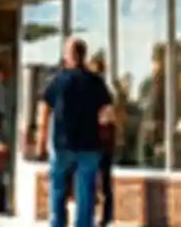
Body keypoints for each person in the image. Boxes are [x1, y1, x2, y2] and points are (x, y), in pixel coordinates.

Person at [36, 37, 114, 227]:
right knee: (85, 195)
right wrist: (106, 138)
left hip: (62, 145)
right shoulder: (96, 82)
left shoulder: (58, 81)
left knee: (58, 192)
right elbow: (107, 114)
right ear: (84, 55)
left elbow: (44, 111)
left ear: (68, 55)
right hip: (89, 146)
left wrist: (41, 141)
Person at [87, 56, 116, 227]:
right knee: (96, 180)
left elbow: (108, 118)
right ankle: (101, 215)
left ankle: (105, 216)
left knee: (102, 180)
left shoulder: (102, 92)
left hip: (101, 142)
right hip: (97, 141)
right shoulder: (98, 91)